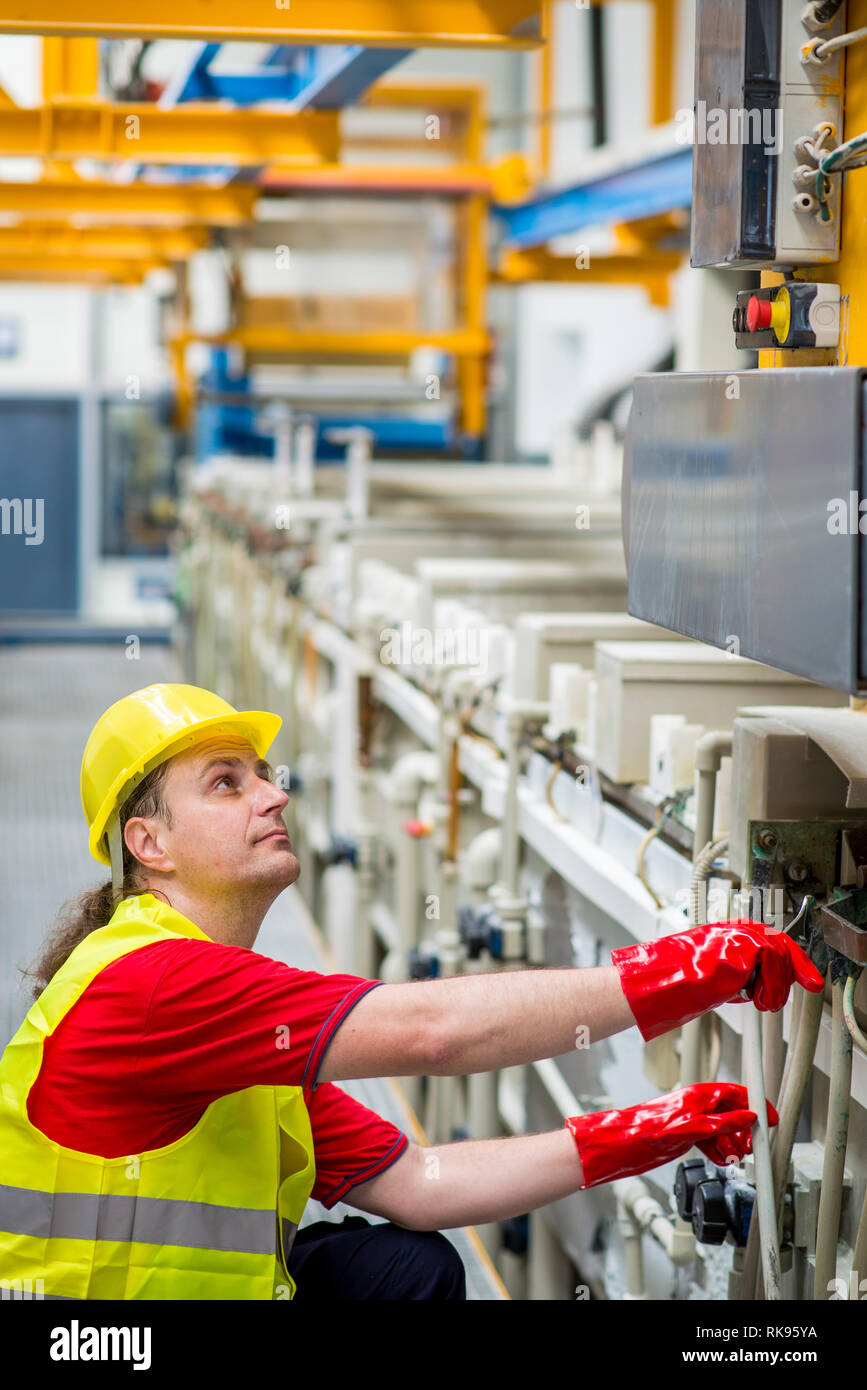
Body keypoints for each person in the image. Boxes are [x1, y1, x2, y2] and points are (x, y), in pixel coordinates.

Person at [0, 684, 824, 1301]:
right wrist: (682, 970)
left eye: (262, 774)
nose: (274, 793)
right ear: (150, 843)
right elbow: (437, 1032)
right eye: (226, 783)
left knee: (404, 1268)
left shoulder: (229, 1032)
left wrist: (639, 1134)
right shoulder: (153, 982)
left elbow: (420, 1184)